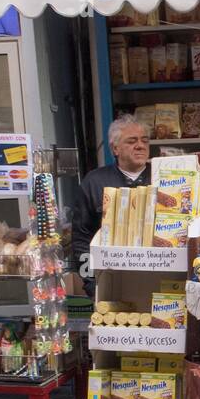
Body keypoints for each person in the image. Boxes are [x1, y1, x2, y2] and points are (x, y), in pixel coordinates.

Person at [73, 114, 152, 282]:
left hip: (160, 276)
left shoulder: (164, 178)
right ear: (115, 149)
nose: (140, 146)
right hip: (110, 280)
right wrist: (91, 283)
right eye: (131, 141)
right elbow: (82, 240)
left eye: (145, 141)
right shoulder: (94, 182)